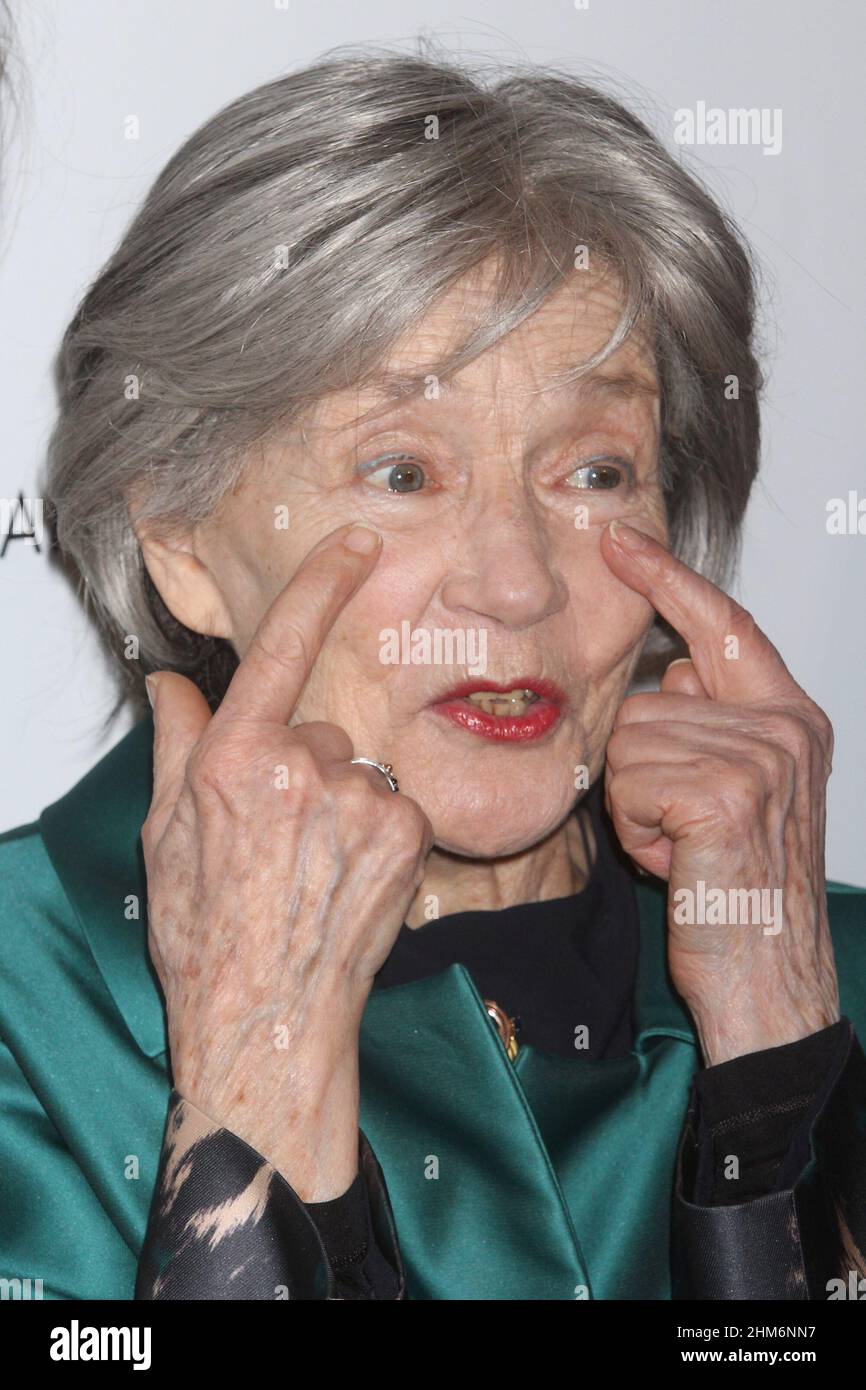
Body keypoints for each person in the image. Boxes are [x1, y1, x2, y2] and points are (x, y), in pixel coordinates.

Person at [1, 45, 864, 1302]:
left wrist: (782, 1068)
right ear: (181, 540)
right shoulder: (26, 1001)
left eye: (593, 473)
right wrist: (254, 1099)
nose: (515, 583)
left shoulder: (828, 960)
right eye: (401, 474)